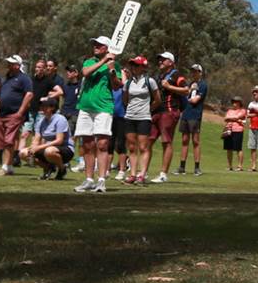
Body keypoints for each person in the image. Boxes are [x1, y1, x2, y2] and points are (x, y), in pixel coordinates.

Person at [73, 37, 120, 193]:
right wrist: (103, 61)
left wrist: (112, 70)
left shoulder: (115, 65)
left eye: (99, 45)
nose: (95, 46)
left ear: (106, 48)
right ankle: (88, 180)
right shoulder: (89, 61)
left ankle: (101, 181)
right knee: (87, 144)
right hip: (86, 107)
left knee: (102, 144)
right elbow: (86, 73)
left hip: (104, 107)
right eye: (94, 44)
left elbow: (116, 86)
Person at [0, 55, 34, 176]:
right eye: (8, 63)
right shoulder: (5, 79)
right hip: (1, 114)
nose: (9, 65)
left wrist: (20, 112)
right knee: (1, 142)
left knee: (9, 141)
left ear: (18, 65)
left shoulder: (24, 78)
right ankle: (9, 166)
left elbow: (29, 95)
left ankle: (4, 168)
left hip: (14, 114)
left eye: (11, 63)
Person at [121, 56, 158, 185]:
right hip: (130, 117)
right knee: (131, 147)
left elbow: (157, 100)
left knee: (143, 147)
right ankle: (132, 174)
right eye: (132, 65)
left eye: (136, 65)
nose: (134, 68)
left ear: (143, 67)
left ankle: (142, 174)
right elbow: (125, 100)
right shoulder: (128, 83)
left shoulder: (150, 81)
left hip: (144, 118)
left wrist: (148, 109)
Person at [153, 53, 187, 181]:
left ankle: (163, 174)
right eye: (159, 59)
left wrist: (169, 87)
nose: (160, 61)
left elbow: (186, 90)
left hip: (169, 111)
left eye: (163, 59)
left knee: (166, 141)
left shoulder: (176, 75)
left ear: (171, 62)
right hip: (156, 112)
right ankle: (143, 172)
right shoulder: (158, 76)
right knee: (148, 140)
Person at [19, 103, 73, 178]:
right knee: (23, 153)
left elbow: (59, 141)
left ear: (52, 108)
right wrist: (33, 147)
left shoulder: (60, 119)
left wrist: (39, 147)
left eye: (45, 106)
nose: (42, 108)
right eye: (41, 106)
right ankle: (48, 168)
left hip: (65, 149)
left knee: (49, 151)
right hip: (47, 149)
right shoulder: (41, 121)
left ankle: (62, 169)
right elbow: (37, 139)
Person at [176, 63, 208, 176]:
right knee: (184, 140)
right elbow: (185, 98)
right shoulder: (190, 85)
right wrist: (188, 91)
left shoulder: (203, 85)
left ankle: (197, 168)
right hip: (185, 114)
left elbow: (195, 101)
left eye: (195, 71)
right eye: (192, 71)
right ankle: (182, 167)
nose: (193, 73)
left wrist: (186, 94)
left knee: (195, 141)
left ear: (200, 72)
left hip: (195, 115)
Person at [219, 96, 247, 171]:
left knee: (238, 148)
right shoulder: (229, 111)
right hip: (228, 130)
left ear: (239, 103)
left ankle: (240, 166)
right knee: (229, 149)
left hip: (238, 130)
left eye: (236, 102)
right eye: (233, 102)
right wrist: (235, 119)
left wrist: (232, 118)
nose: (234, 103)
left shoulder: (243, 110)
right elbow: (226, 118)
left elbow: (237, 117)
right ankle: (230, 166)